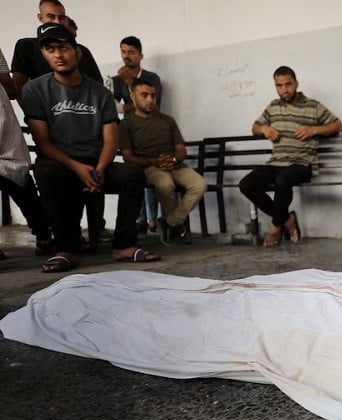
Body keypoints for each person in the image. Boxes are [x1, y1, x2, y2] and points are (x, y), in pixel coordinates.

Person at [18, 23, 160, 273]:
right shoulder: (35, 89)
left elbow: (110, 140)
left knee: (132, 176)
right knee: (46, 172)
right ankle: (65, 249)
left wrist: (99, 170)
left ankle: (124, 245)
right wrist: (78, 168)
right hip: (61, 164)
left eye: (63, 48)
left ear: (77, 52)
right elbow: (44, 143)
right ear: (43, 54)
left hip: (96, 164)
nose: (58, 55)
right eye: (50, 49)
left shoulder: (99, 93)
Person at [11, 0, 109, 247]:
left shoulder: (80, 51)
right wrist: (39, 118)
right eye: (50, 16)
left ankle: (97, 230)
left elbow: (97, 90)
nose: (56, 21)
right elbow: (18, 87)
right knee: (53, 173)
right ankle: (63, 235)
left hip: (84, 127)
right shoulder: (27, 47)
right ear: (39, 17)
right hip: (47, 127)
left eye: (61, 17)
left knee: (92, 167)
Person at [238, 65, 342, 246]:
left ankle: (274, 227)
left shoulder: (312, 106)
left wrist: (313, 130)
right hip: (277, 161)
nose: (284, 90)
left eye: (288, 84)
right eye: (279, 86)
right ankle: (287, 220)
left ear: (296, 83)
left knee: (283, 180)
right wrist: (264, 129)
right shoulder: (273, 107)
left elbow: (338, 126)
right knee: (246, 184)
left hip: (302, 163)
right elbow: (255, 127)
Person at [119, 79, 207, 245]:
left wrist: (173, 159)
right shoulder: (126, 124)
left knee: (199, 184)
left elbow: (181, 149)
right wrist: (154, 161)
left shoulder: (168, 120)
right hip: (149, 167)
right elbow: (128, 157)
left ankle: (170, 222)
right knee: (166, 185)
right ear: (133, 96)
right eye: (144, 95)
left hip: (174, 165)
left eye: (153, 95)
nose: (150, 100)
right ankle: (175, 228)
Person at [109, 36, 163, 233]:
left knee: (151, 172)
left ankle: (153, 218)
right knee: (133, 173)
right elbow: (112, 108)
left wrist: (128, 83)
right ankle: (139, 218)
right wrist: (125, 108)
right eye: (123, 51)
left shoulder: (151, 78)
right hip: (130, 132)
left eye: (131, 52)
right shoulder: (115, 80)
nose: (126, 56)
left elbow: (150, 106)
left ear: (141, 55)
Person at [0, 84, 52, 259]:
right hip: (11, 165)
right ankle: (43, 232)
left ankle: (44, 233)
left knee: (22, 186)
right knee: (26, 194)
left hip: (9, 162)